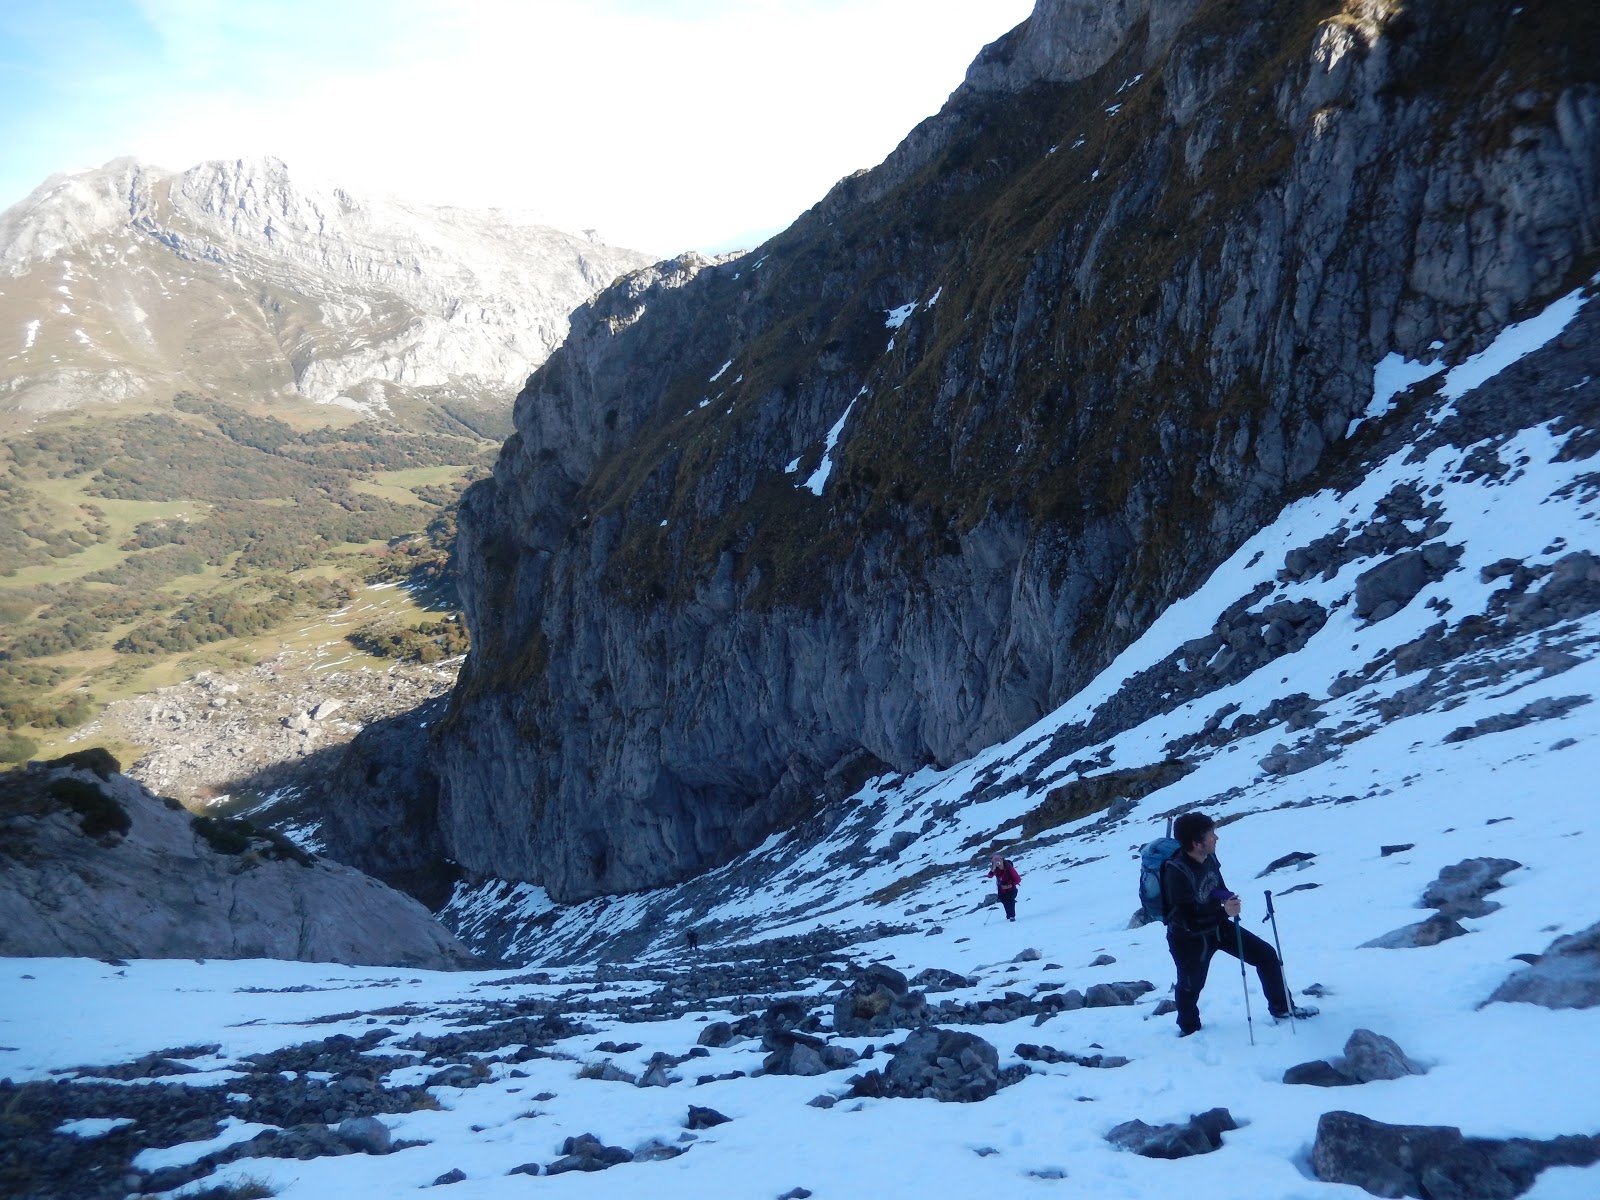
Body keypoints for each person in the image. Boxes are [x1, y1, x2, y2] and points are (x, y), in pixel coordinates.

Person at [1160, 812, 1314, 1036]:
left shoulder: (1208, 857)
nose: (1216, 838)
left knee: (1267, 956)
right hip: (1189, 939)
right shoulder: (1176, 873)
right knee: (1190, 986)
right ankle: (1189, 1030)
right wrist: (1224, 911)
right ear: (1196, 843)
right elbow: (1189, 921)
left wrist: (1226, 897)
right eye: (1211, 834)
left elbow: (1215, 885)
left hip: (1218, 927)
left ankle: (1282, 1009)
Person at [987, 852, 1021, 920]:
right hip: (1001, 890)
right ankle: (1009, 916)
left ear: (1002, 860)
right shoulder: (995, 869)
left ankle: (1012, 916)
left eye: (998, 860)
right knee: (1004, 902)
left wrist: (1009, 886)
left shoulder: (1009, 868)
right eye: (995, 861)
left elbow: (1018, 879)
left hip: (1011, 889)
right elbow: (989, 876)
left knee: (1010, 901)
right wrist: (993, 869)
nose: (997, 862)